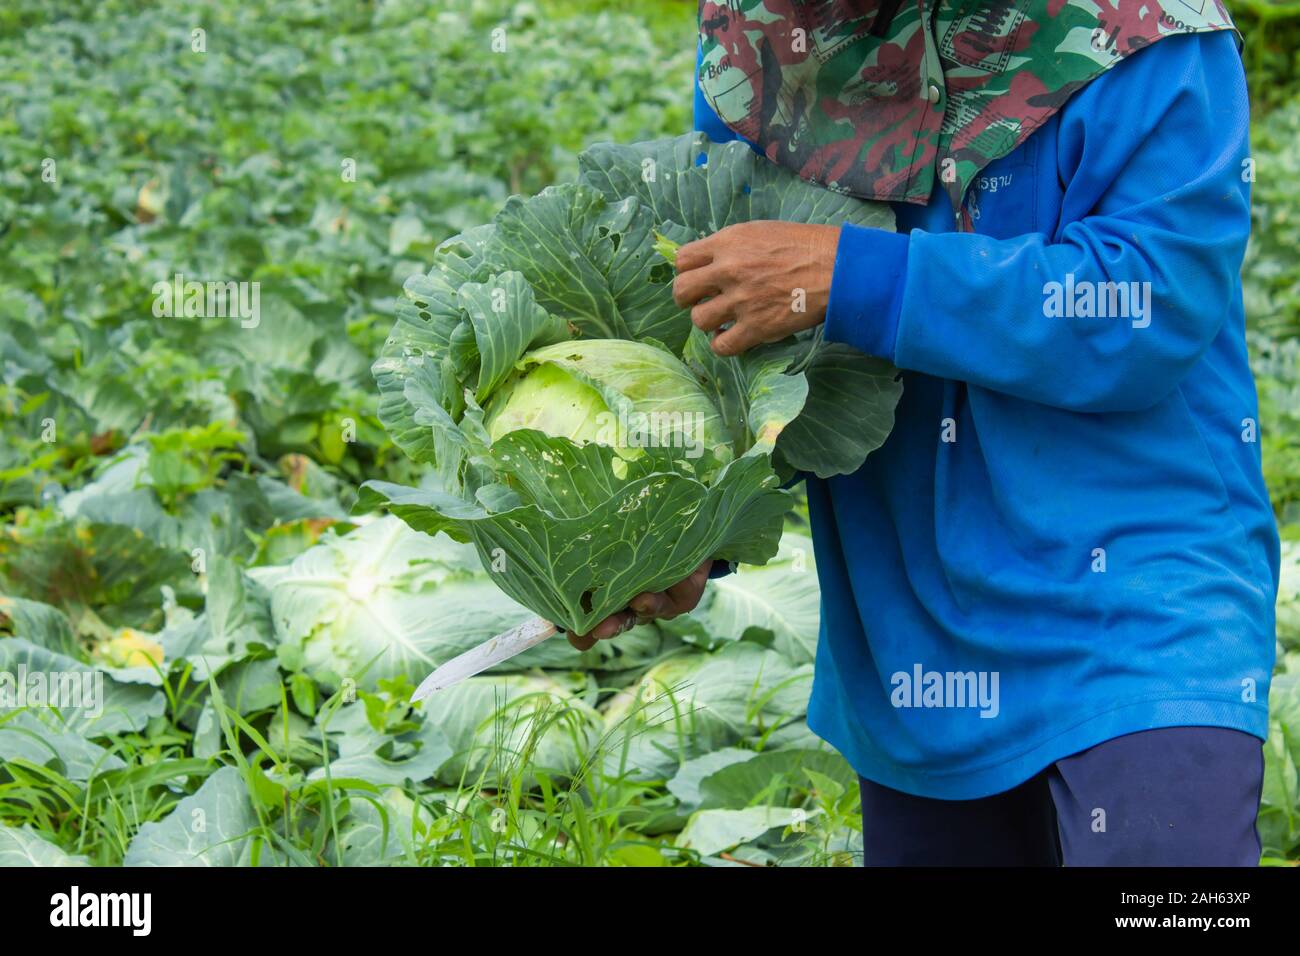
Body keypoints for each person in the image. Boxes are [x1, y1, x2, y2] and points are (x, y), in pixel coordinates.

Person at [571, 0, 1278, 866]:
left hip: (1141, 611)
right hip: (910, 634)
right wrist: (687, 537)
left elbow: (1147, 307)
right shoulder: (763, 43)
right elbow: (747, 341)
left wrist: (854, 274)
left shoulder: (1147, 33)